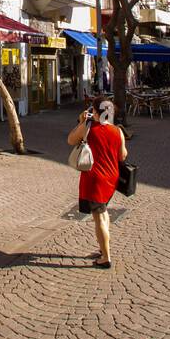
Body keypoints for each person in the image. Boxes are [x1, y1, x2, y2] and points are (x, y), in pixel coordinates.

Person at [67, 98, 128, 269]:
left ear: (95, 112)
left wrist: (81, 122)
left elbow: (71, 140)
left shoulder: (89, 129)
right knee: (103, 212)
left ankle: (106, 258)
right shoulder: (118, 131)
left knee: (99, 216)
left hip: (95, 179)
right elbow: (122, 156)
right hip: (112, 178)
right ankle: (103, 248)